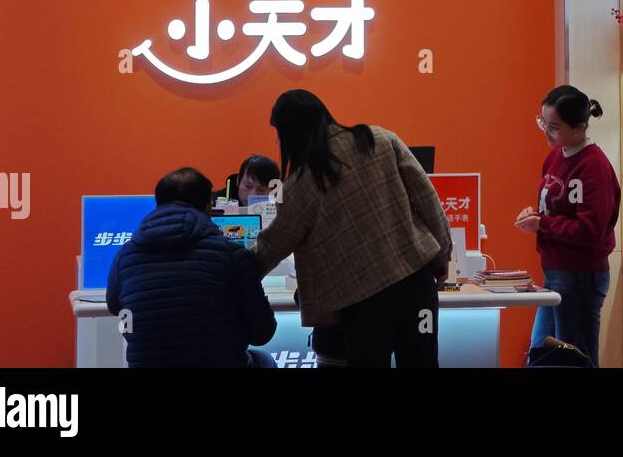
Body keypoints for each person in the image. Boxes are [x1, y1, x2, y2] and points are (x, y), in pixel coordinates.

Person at [251, 89, 452, 368]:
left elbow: (272, 245)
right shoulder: (380, 139)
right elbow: (428, 199)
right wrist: (442, 255)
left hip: (362, 307)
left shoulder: (300, 185)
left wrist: (230, 266)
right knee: (423, 362)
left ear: (291, 132)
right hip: (416, 287)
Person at [106, 167, 277, 368]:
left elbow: (115, 307)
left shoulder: (124, 255)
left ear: (158, 205)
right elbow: (262, 333)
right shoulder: (232, 255)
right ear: (208, 207)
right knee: (264, 360)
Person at [516, 85, 620, 367]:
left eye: (554, 127)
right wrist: (535, 215)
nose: (547, 133)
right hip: (555, 271)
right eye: (543, 124)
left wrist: (544, 223)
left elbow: (590, 230)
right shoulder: (555, 156)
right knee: (541, 355)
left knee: (574, 359)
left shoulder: (593, 166)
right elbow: (555, 206)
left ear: (580, 127)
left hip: (581, 275)